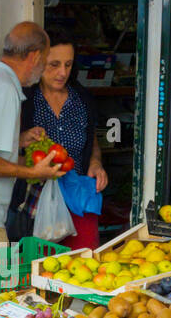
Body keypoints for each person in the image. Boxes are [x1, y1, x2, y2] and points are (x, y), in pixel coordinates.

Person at [0, 22, 63, 248]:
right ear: (34, 57)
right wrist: (31, 171)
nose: (43, 67)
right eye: (45, 61)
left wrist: (18, 140)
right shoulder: (3, 89)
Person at [10, 31, 108, 250]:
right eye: (54, 64)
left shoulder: (82, 99)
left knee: (83, 260)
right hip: (36, 201)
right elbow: (3, 149)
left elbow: (91, 142)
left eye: (68, 64)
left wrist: (95, 163)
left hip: (77, 196)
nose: (62, 72)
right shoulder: (24, 100)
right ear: (38, 60)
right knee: (39, 267)